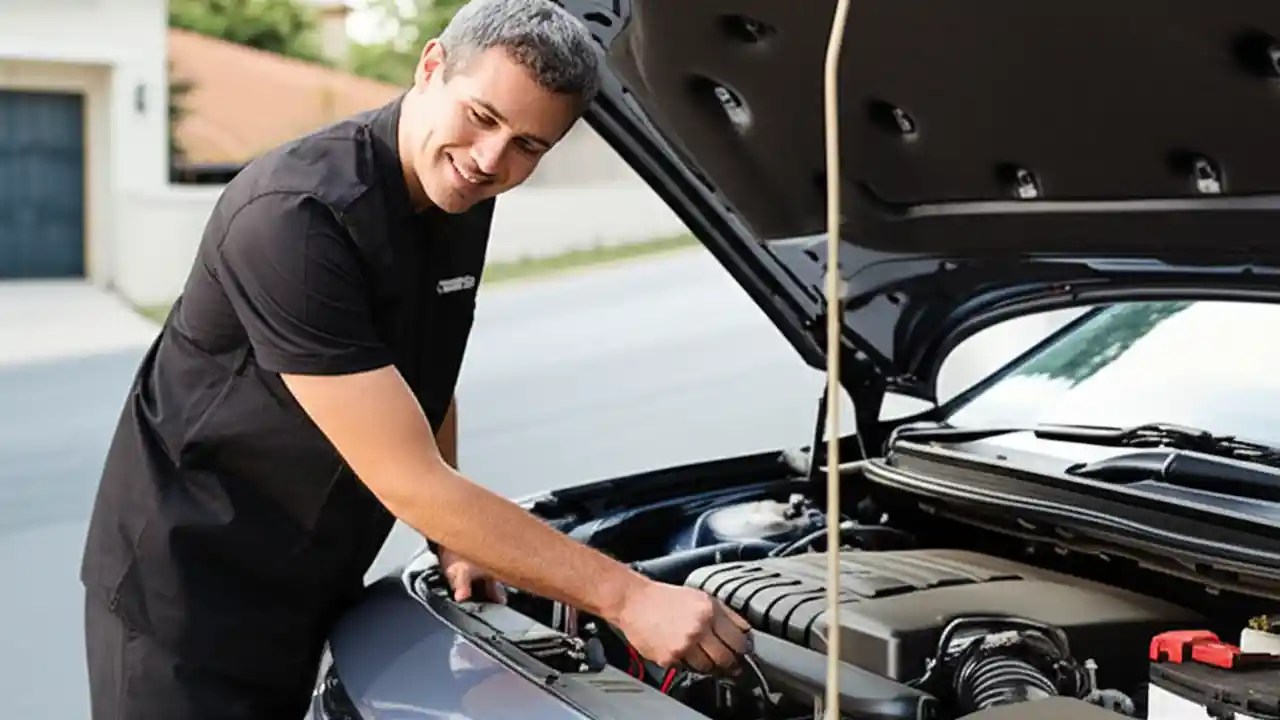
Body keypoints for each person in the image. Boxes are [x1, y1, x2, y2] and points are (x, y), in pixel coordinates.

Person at [78, 1, 752, 717]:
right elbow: (409, 479)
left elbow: (425, 377)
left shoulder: (457, 191)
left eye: (529, 146)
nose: (492, 161)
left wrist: (453, 543)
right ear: (430, 66)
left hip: (310, 580)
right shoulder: (295, 219)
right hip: (190, 596)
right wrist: (631, 597)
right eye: (482, 117)